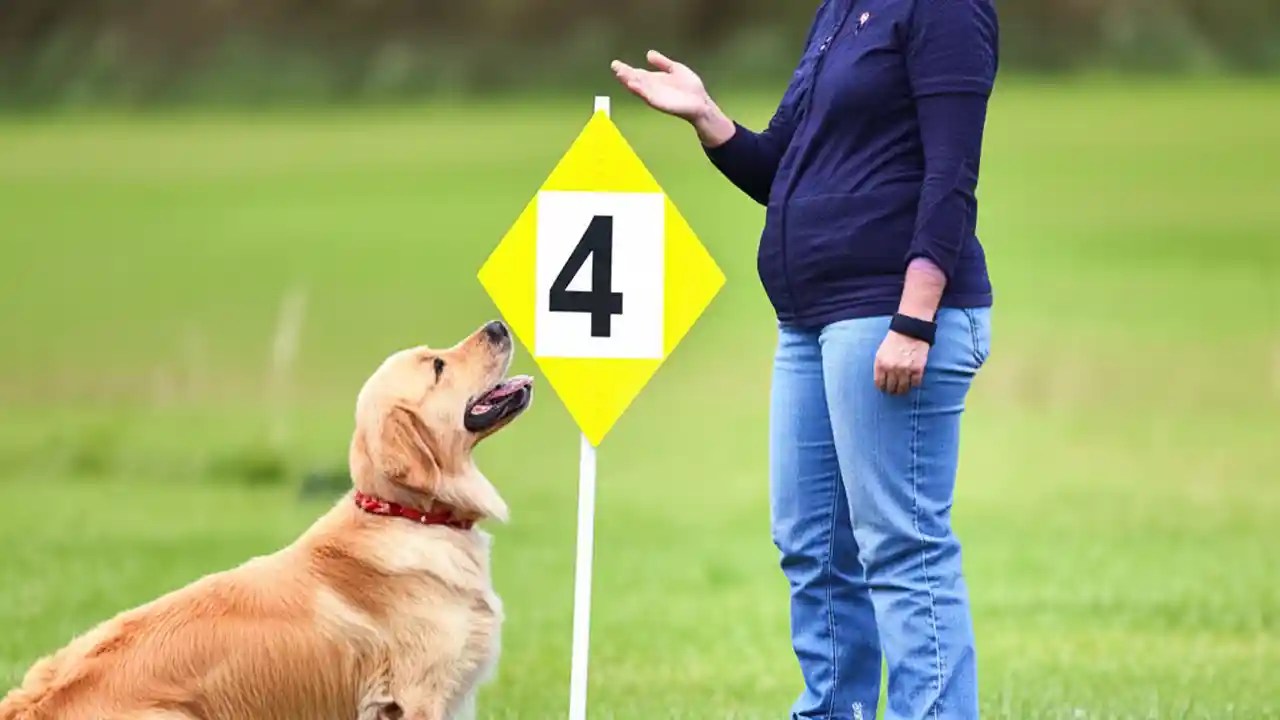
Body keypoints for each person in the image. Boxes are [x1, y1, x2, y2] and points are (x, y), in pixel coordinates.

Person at [612, 1, 998, 718]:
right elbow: (781, 171)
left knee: (901, 551)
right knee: (812, 550)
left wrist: (915, 316)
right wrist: (708, 119)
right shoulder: (841, 10)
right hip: (807, 322)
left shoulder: (944, 9)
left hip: (890, 315)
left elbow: (953, 174)